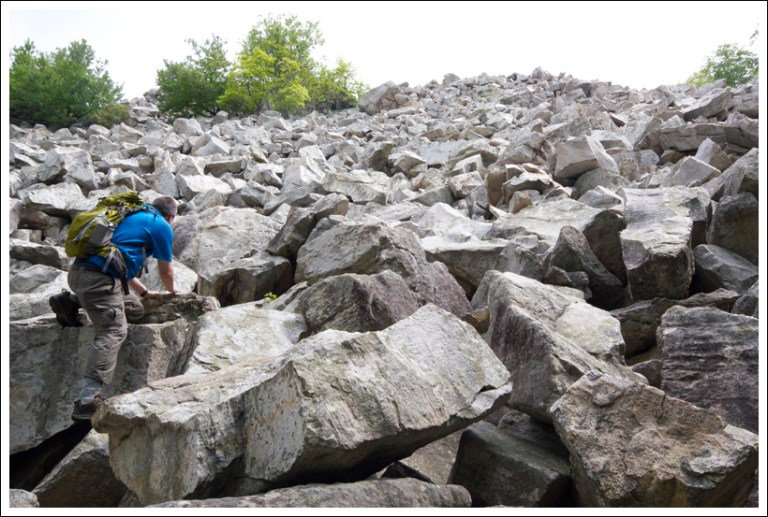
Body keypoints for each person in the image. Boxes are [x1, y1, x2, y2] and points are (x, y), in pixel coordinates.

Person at [49, 195, 178, 421]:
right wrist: (174, 291)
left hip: (81, 274)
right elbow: (166, 271)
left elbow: (118, 264)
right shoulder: (161, 225)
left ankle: (72, 300)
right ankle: (87, 398)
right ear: (171, 216)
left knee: (136, 310)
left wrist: (145, 293)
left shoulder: (130, 216)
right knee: (114, 331)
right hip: (98, 281)